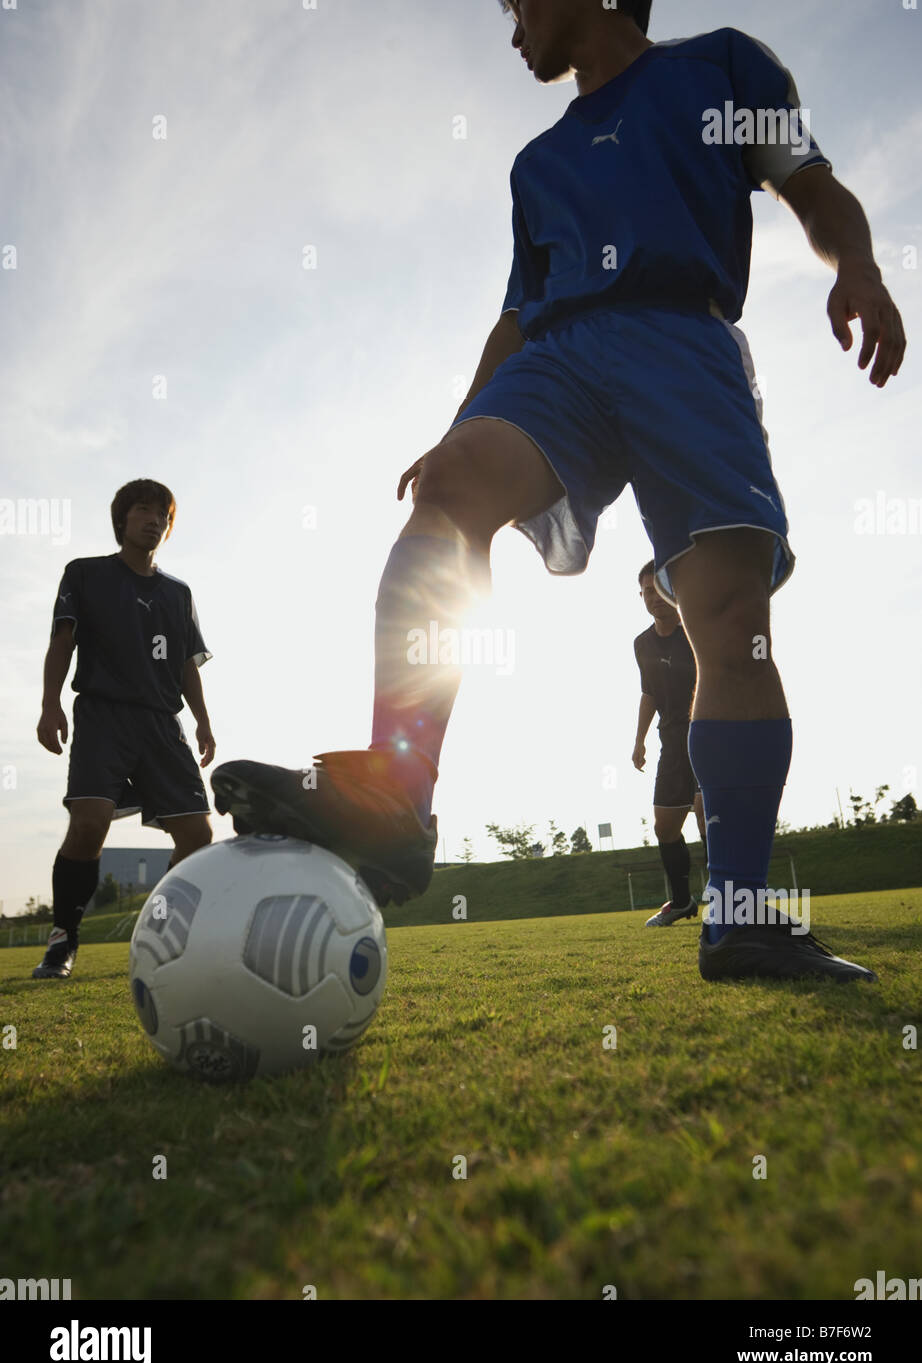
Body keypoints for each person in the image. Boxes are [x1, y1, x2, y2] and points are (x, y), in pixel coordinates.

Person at [210, 1, 904, 983]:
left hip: (682, 338)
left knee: (729, 615)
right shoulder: (537, 167)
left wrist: (860, 268)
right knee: (451, 487)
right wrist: (458, 423)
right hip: (564, 356)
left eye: (517, 4)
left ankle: (742, 914)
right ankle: (400, 793)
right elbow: (512, 319)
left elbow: (812, 188)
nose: (510, 31)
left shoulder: (723, 69)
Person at [33, 480, 215, 979]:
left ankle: (158, 927)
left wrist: (202, 720)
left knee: (198, 833)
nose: (154, 519)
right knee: (90, 823)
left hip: (162, 723)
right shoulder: (85, 574)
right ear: (123, 519)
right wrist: (50, 705)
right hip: (102, 715)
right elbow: (62, 641)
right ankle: (63, 939)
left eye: (163, 514)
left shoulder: (179, 593)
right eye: (143, 510)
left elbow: (186, 664)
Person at [633, 560, 707, 926]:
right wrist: (639, 740)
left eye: (659, 589)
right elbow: (649, 692)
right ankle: (682, 902)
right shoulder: (642, 644)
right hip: (671, 742)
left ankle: (731, 899)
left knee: (707, 815)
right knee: (665, 826)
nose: (654, 597)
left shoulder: (698, 630)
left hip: (709, 734)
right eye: (647, 591)